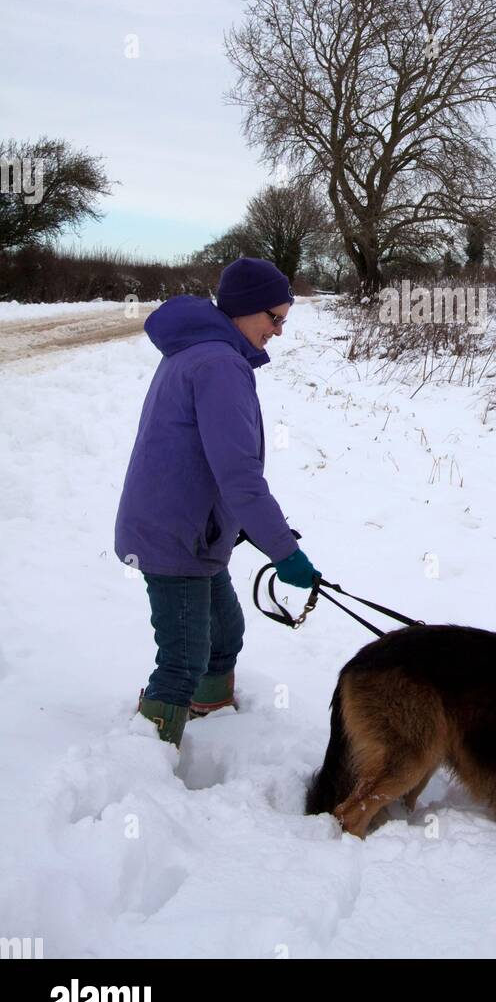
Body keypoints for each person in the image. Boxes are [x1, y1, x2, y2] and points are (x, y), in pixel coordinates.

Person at [114, 256, 322, 748]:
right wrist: (283, 552)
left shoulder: (204, 353)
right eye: (273, 318)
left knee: (224, 636)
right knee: (183, 657)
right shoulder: (219, 364)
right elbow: (239, 476)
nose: (278, 330)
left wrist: (240, 525)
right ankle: (143, 757)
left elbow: (203, 459)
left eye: (284, 320)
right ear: (247, 309)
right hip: (175, 536)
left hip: (193, 530)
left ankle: (214, 721)